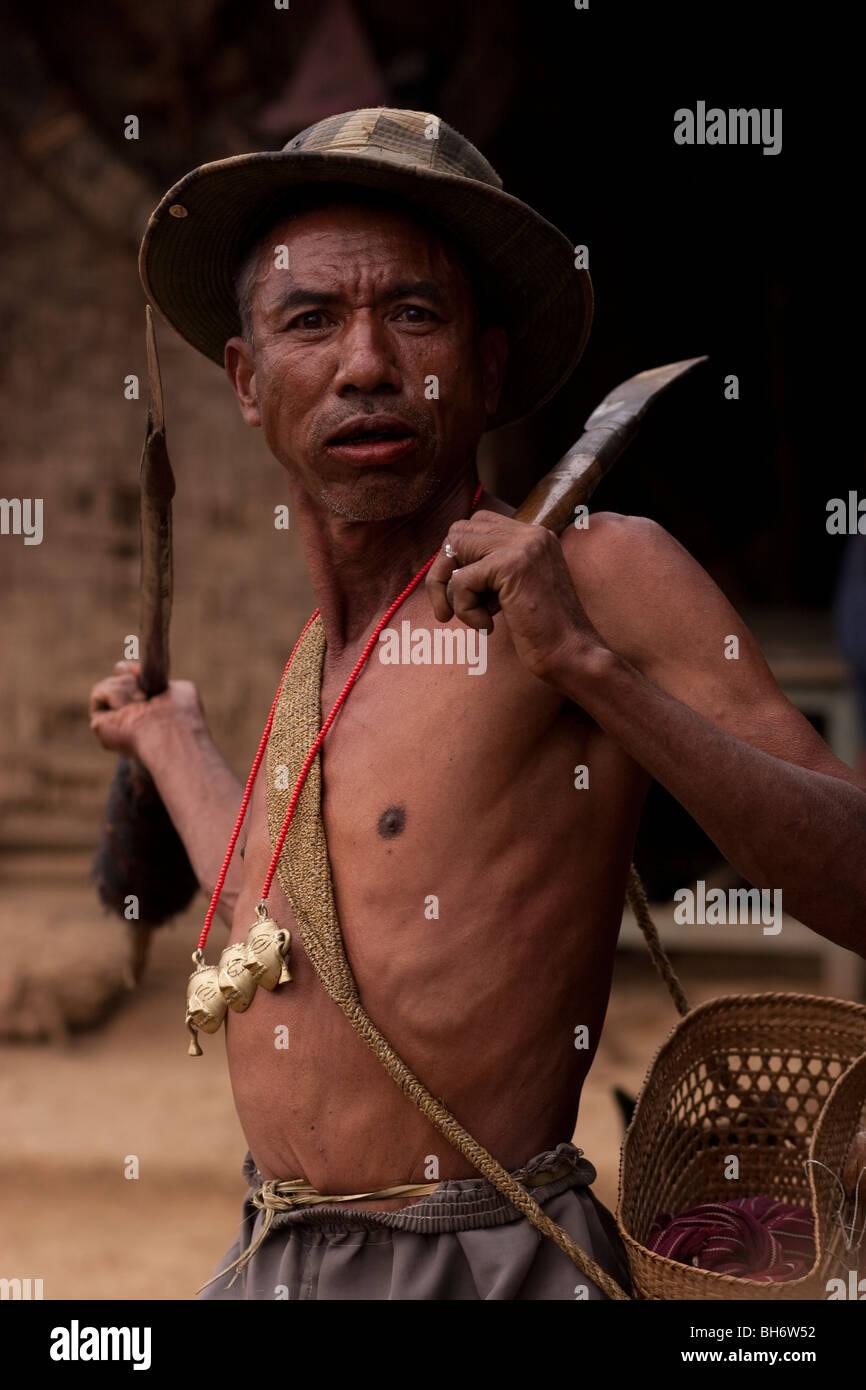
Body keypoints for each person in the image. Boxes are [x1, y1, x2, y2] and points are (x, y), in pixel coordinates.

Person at [89, 108, 866, 1300]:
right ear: (246, 381)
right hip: (274, 1257)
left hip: (488, 1262)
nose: (364, 365)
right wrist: (172, 737)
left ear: (487, 366)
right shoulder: (313, 668)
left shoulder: (597, 576)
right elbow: (273, 933)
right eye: (310, 320)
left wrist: (589, 670)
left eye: (414, 313)